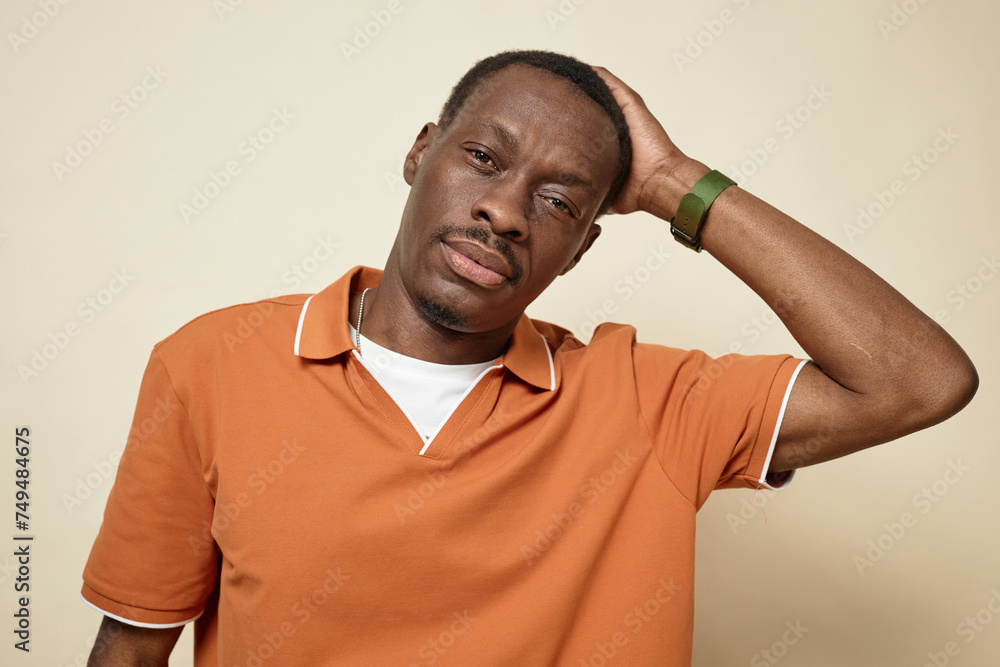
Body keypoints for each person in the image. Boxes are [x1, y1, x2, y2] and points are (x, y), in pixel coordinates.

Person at [81, 50, 977, 666]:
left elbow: (919, 379)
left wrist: (674, 183)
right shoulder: (211, 364)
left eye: (557, 202)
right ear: (421, 152)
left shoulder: (651, 401)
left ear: (582, 250)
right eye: (483, 157)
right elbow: (132, 648)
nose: (506, 212)